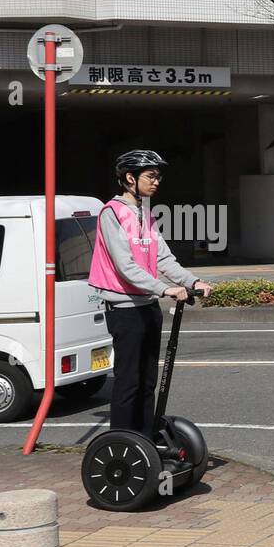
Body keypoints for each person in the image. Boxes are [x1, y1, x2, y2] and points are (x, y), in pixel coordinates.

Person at [88, 150, 213, 436]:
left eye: (159, 176)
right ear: (129, 178)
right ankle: (121, 443)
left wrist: (193, 281)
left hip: (147, 307)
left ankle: (144, 439)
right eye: (150, 176)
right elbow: (124, 266)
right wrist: (164, 288)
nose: (157, 181)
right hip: (124, 309)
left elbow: (162, 258)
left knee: (147, 381)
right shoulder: (112, 213)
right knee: (128, 382)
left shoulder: (145, 213)